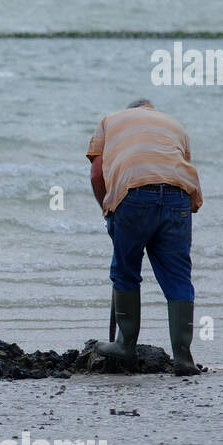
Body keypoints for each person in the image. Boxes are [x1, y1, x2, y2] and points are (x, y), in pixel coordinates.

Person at [86, 99, 202, 375]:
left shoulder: (110, 120)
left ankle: (125, 344)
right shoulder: (175, 125)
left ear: (130, 110)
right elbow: (178, 165)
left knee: (126, 270)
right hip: (179, 196)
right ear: (151, 110)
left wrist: (108, 208)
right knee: (178, 277)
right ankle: (183, 358)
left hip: (134, 194)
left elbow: (96, 173)